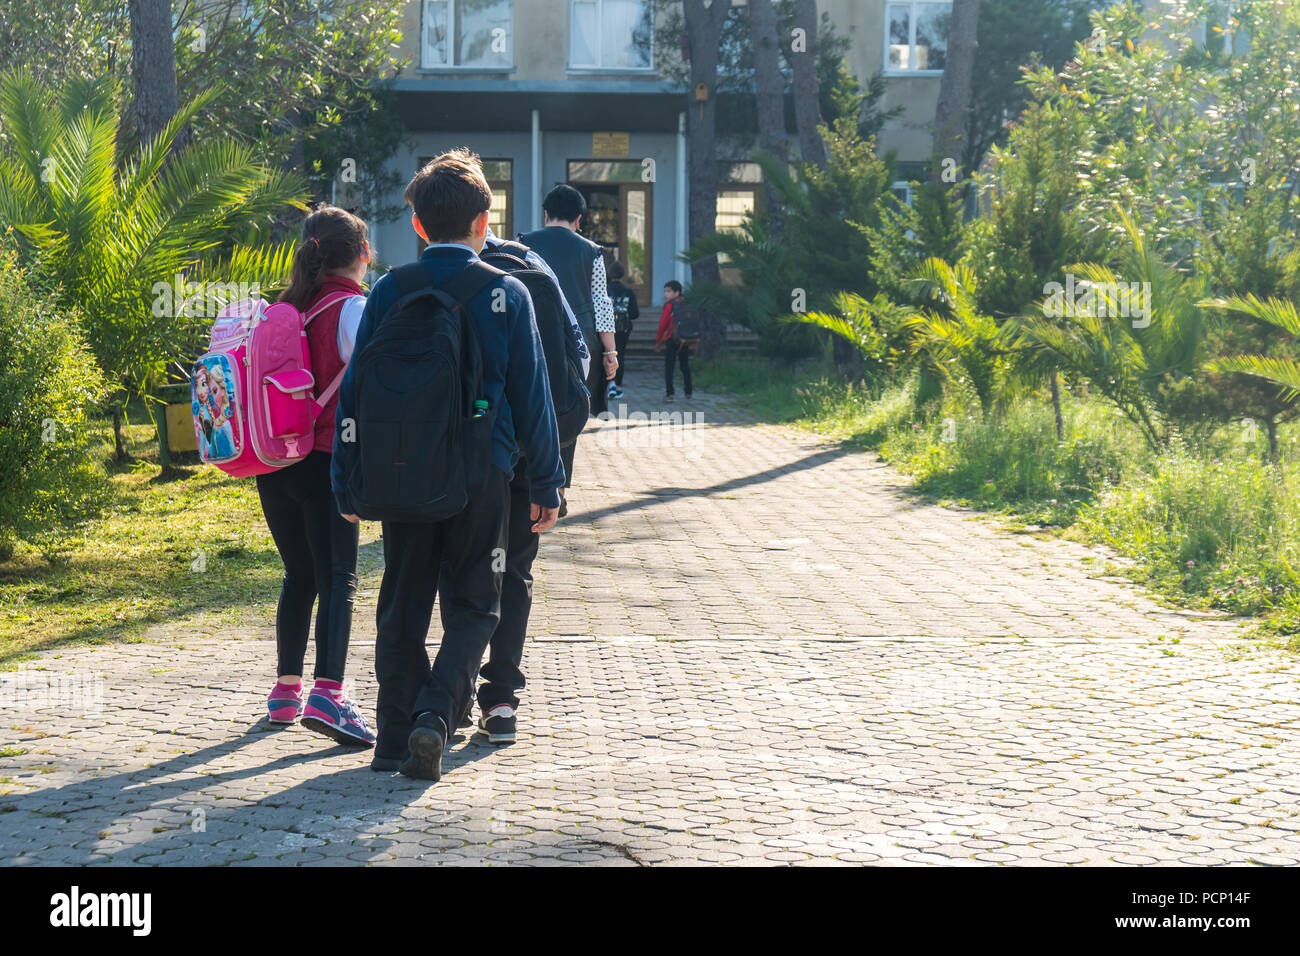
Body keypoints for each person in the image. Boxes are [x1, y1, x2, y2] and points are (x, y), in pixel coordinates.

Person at [332, 149, 565, 781]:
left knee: (401, 602)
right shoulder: (506, 293)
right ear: (484, 221)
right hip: (482, 474)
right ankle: (436, 715)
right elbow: (533, 396)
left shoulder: (388, 291)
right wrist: (546, 482)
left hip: (403, 472)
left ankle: (391, 738)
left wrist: (344, 480)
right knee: (475, 605)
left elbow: (354, 394)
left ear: (416, 223)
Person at [259, 205, 375, 747]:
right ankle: (329, 695)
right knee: (338, 578)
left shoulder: (281, 312)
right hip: (329, 459)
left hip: (274, 464)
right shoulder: (353, 309)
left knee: (299, 574)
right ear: (363, 255)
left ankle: (285, 693)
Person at [520, 184, 618, 515]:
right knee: (569, 409)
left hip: (533, 334)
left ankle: (531, 482)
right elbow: (602, 304)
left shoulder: (523, 243)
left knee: (530, 407)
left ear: (546, 214)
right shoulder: (591, 251)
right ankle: (559, 487)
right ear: (579, 218)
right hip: (580, 343)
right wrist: (610, 352)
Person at [605, 253, 639, 401]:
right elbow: (634, 313)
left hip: (606, 327)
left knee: (607, 355)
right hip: (623, 328)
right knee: (621, 356)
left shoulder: (605, 289)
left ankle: (609, 384)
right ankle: (619, 386)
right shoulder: (628, 291)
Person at [655, 280, 693, 401]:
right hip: (684, 338)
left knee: (669, 366)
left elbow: (663, 324)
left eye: (669, 291)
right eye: (665, 291)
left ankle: (670, 393)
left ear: (677, 292)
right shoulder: (685, 304)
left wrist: (658, 341)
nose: (666, 294)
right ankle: (688, 392)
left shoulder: (670, 305)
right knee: (684, 365)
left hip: (671, 338)